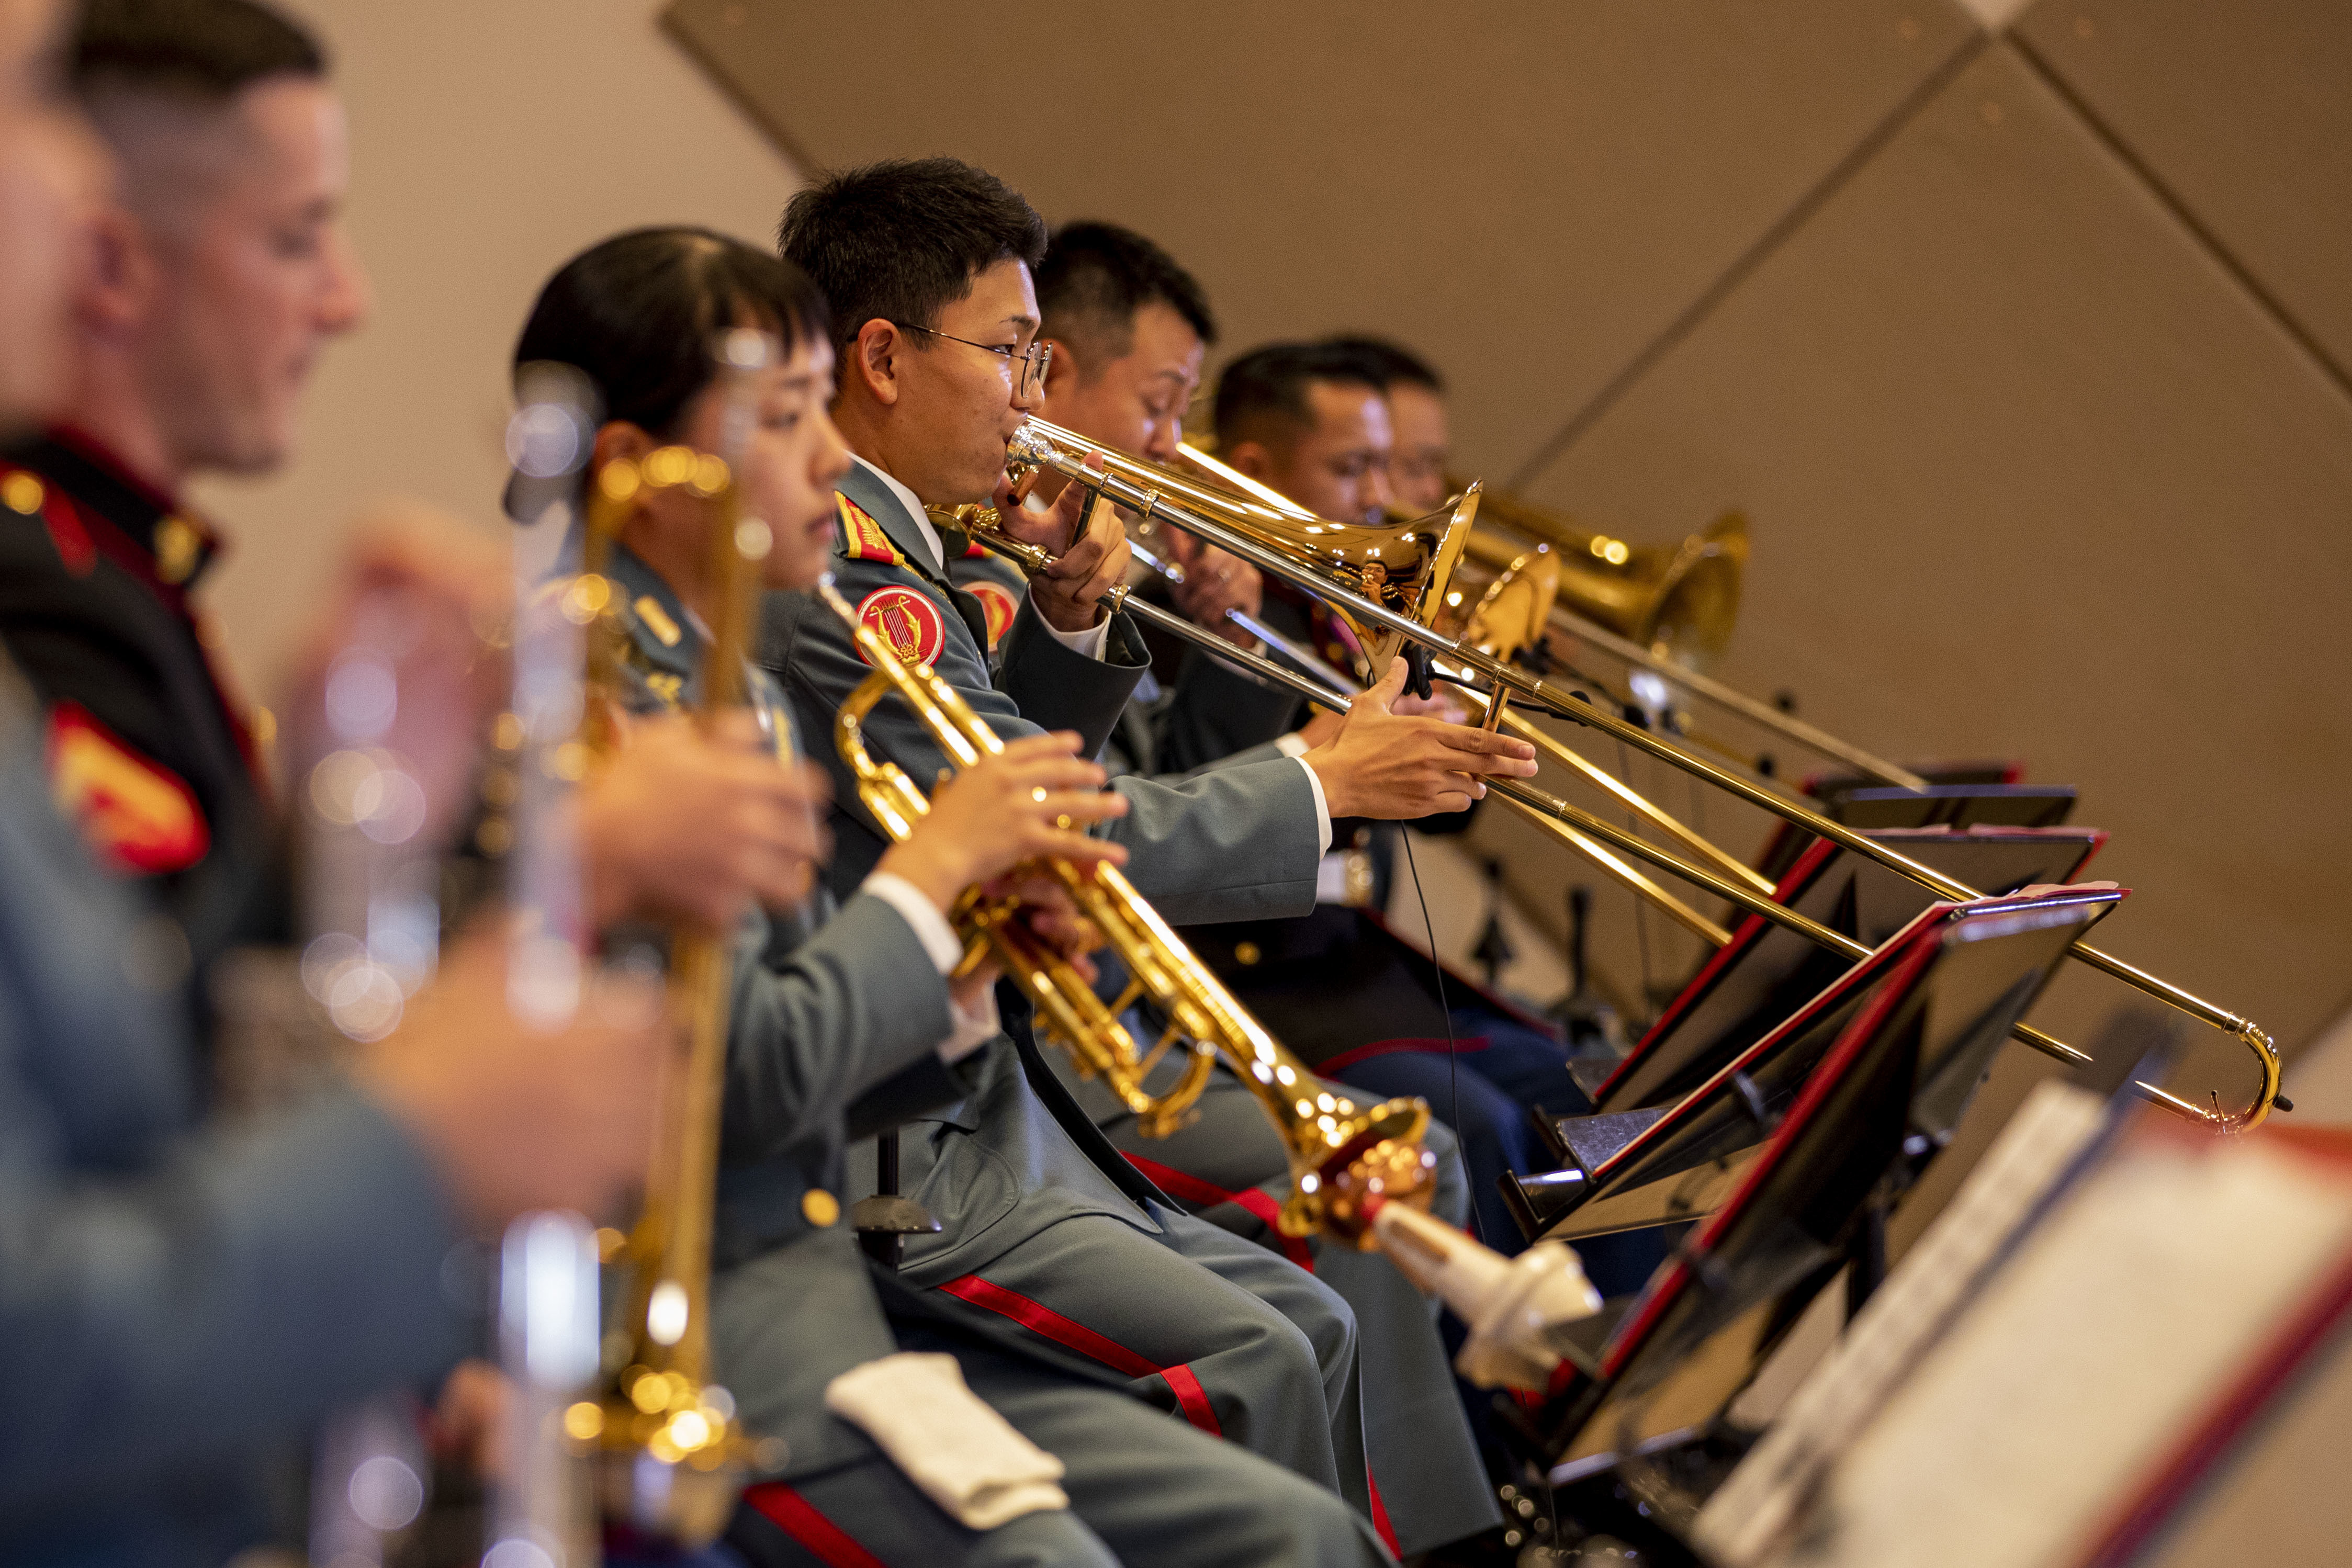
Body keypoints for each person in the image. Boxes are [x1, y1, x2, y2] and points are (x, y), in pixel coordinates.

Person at [515, 224, 1390, 1568]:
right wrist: (936, 891)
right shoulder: (611, 711)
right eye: (784, 417)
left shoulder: (725, 666)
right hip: (789, 1274)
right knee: (1168, 1478)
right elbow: (746, 1077)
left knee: (1299, 1519)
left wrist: (968, 960)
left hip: (862, 1209)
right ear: (639, 473)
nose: (824, 459)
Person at [770, 155, 1539, 1546]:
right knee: (1275, 1335)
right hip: (909, 1142)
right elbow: (1042, 817)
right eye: (1010, 353)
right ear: (880, 357)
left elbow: (1016, 775)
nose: (1026, 394)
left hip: (997, 1084)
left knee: (1307, 1303)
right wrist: (1322, 774)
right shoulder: (854, 571)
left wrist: (1064, 632)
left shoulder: (915, 551)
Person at [0, 4, 673, 1560]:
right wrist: (421, 1148)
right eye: (35, 101)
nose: (74, 179)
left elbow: (130, 1065)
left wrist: (326, 818)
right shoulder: (48, 588)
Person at [988, 219, 1500, 1555]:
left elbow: (1144, 787)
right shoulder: (978, 553)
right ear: (1051, 377)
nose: (1172, 445)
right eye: (1158, 405)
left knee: (1457, 1131)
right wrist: (1317, 774)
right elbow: (1093, 825)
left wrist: (1212, 645)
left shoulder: (1082, 550)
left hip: (1108, 1015)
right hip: (1038, 1055)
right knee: (1409, 1165)